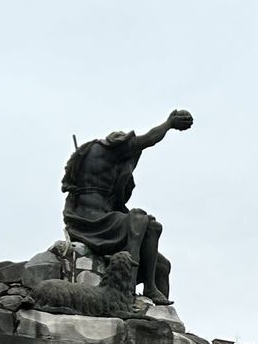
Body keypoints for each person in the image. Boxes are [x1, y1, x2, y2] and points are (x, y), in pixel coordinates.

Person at [59, 109, 194, 304]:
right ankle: (129, 286)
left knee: (162, 263)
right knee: (138, 217)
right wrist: (169, 123)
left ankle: (155, 297)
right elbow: (147, 139)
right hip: (90, 221)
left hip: (108, 219)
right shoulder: (105, 152)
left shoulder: (105, 161)